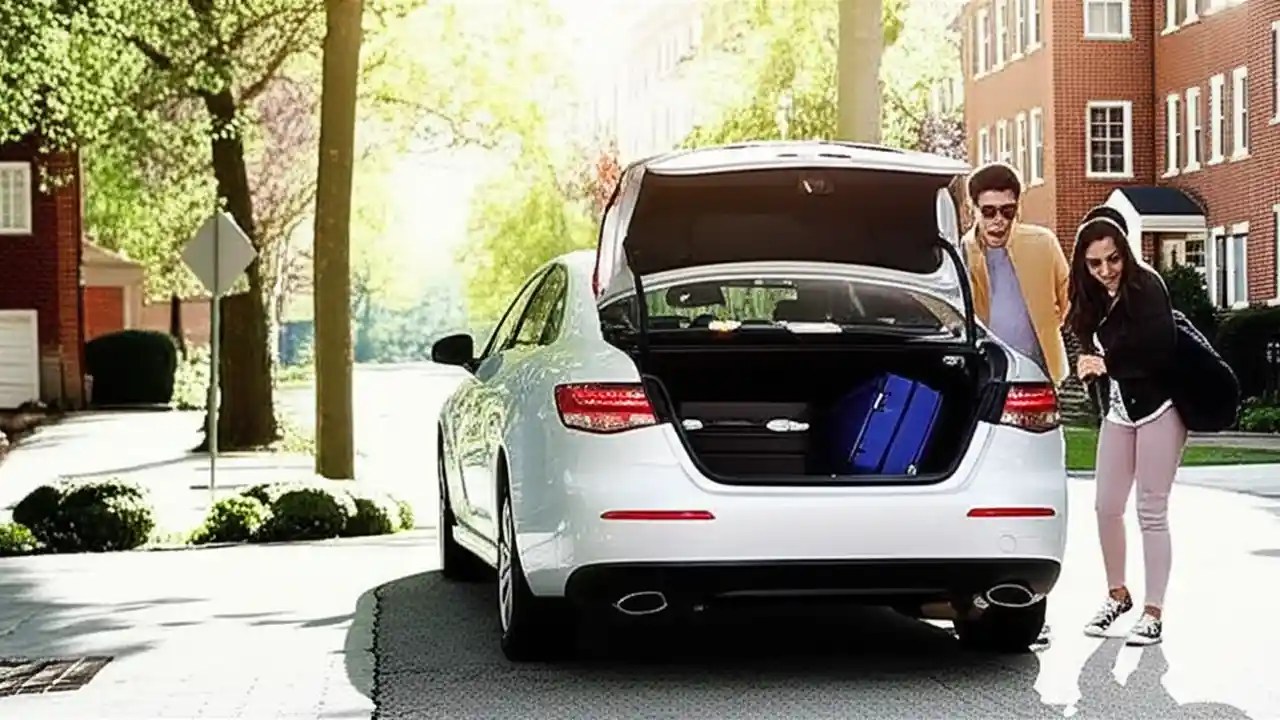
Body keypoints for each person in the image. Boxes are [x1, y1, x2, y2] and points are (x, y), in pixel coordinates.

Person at [1066, 205, 1182, 646]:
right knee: (1106, 506)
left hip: (1159, 407)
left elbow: (1158, 348)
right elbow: (1085, 341)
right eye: (1095, 263)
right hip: (1118, 411)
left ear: (1125, 253)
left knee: (1151, 510)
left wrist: (1105, 362)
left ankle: (1153, 612)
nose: (1106, 270)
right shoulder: (1089, 293)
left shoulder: (1146, 285)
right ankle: (1118, 595)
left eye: (1113, 259)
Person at [960, 162, 1071, 386]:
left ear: (1017, 208)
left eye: (1007, 211)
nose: (998, 220)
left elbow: (1070, 296)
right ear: (973, 209)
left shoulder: (1043, 243)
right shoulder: (963, 250)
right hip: (985, 373)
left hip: (1039, 371)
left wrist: (1049, 324)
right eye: (989, 212)